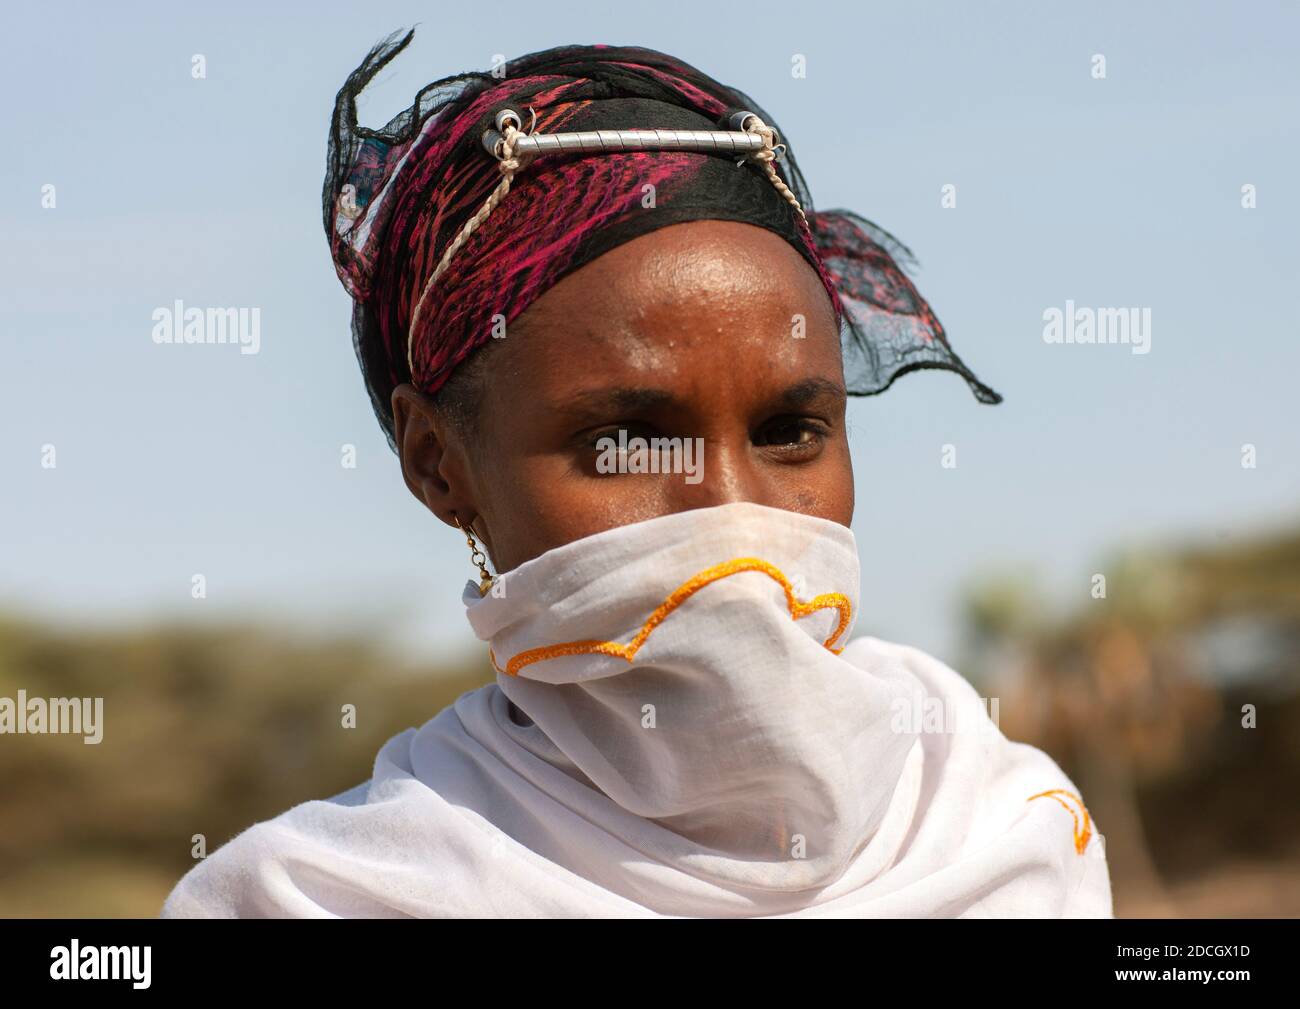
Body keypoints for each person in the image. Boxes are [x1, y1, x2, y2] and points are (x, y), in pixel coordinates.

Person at [160, 28, 1112, 917]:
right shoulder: (321, 898)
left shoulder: (1006, 824)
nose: (734, 513)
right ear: (437, 464)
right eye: (627, 442)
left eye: (790, 431)